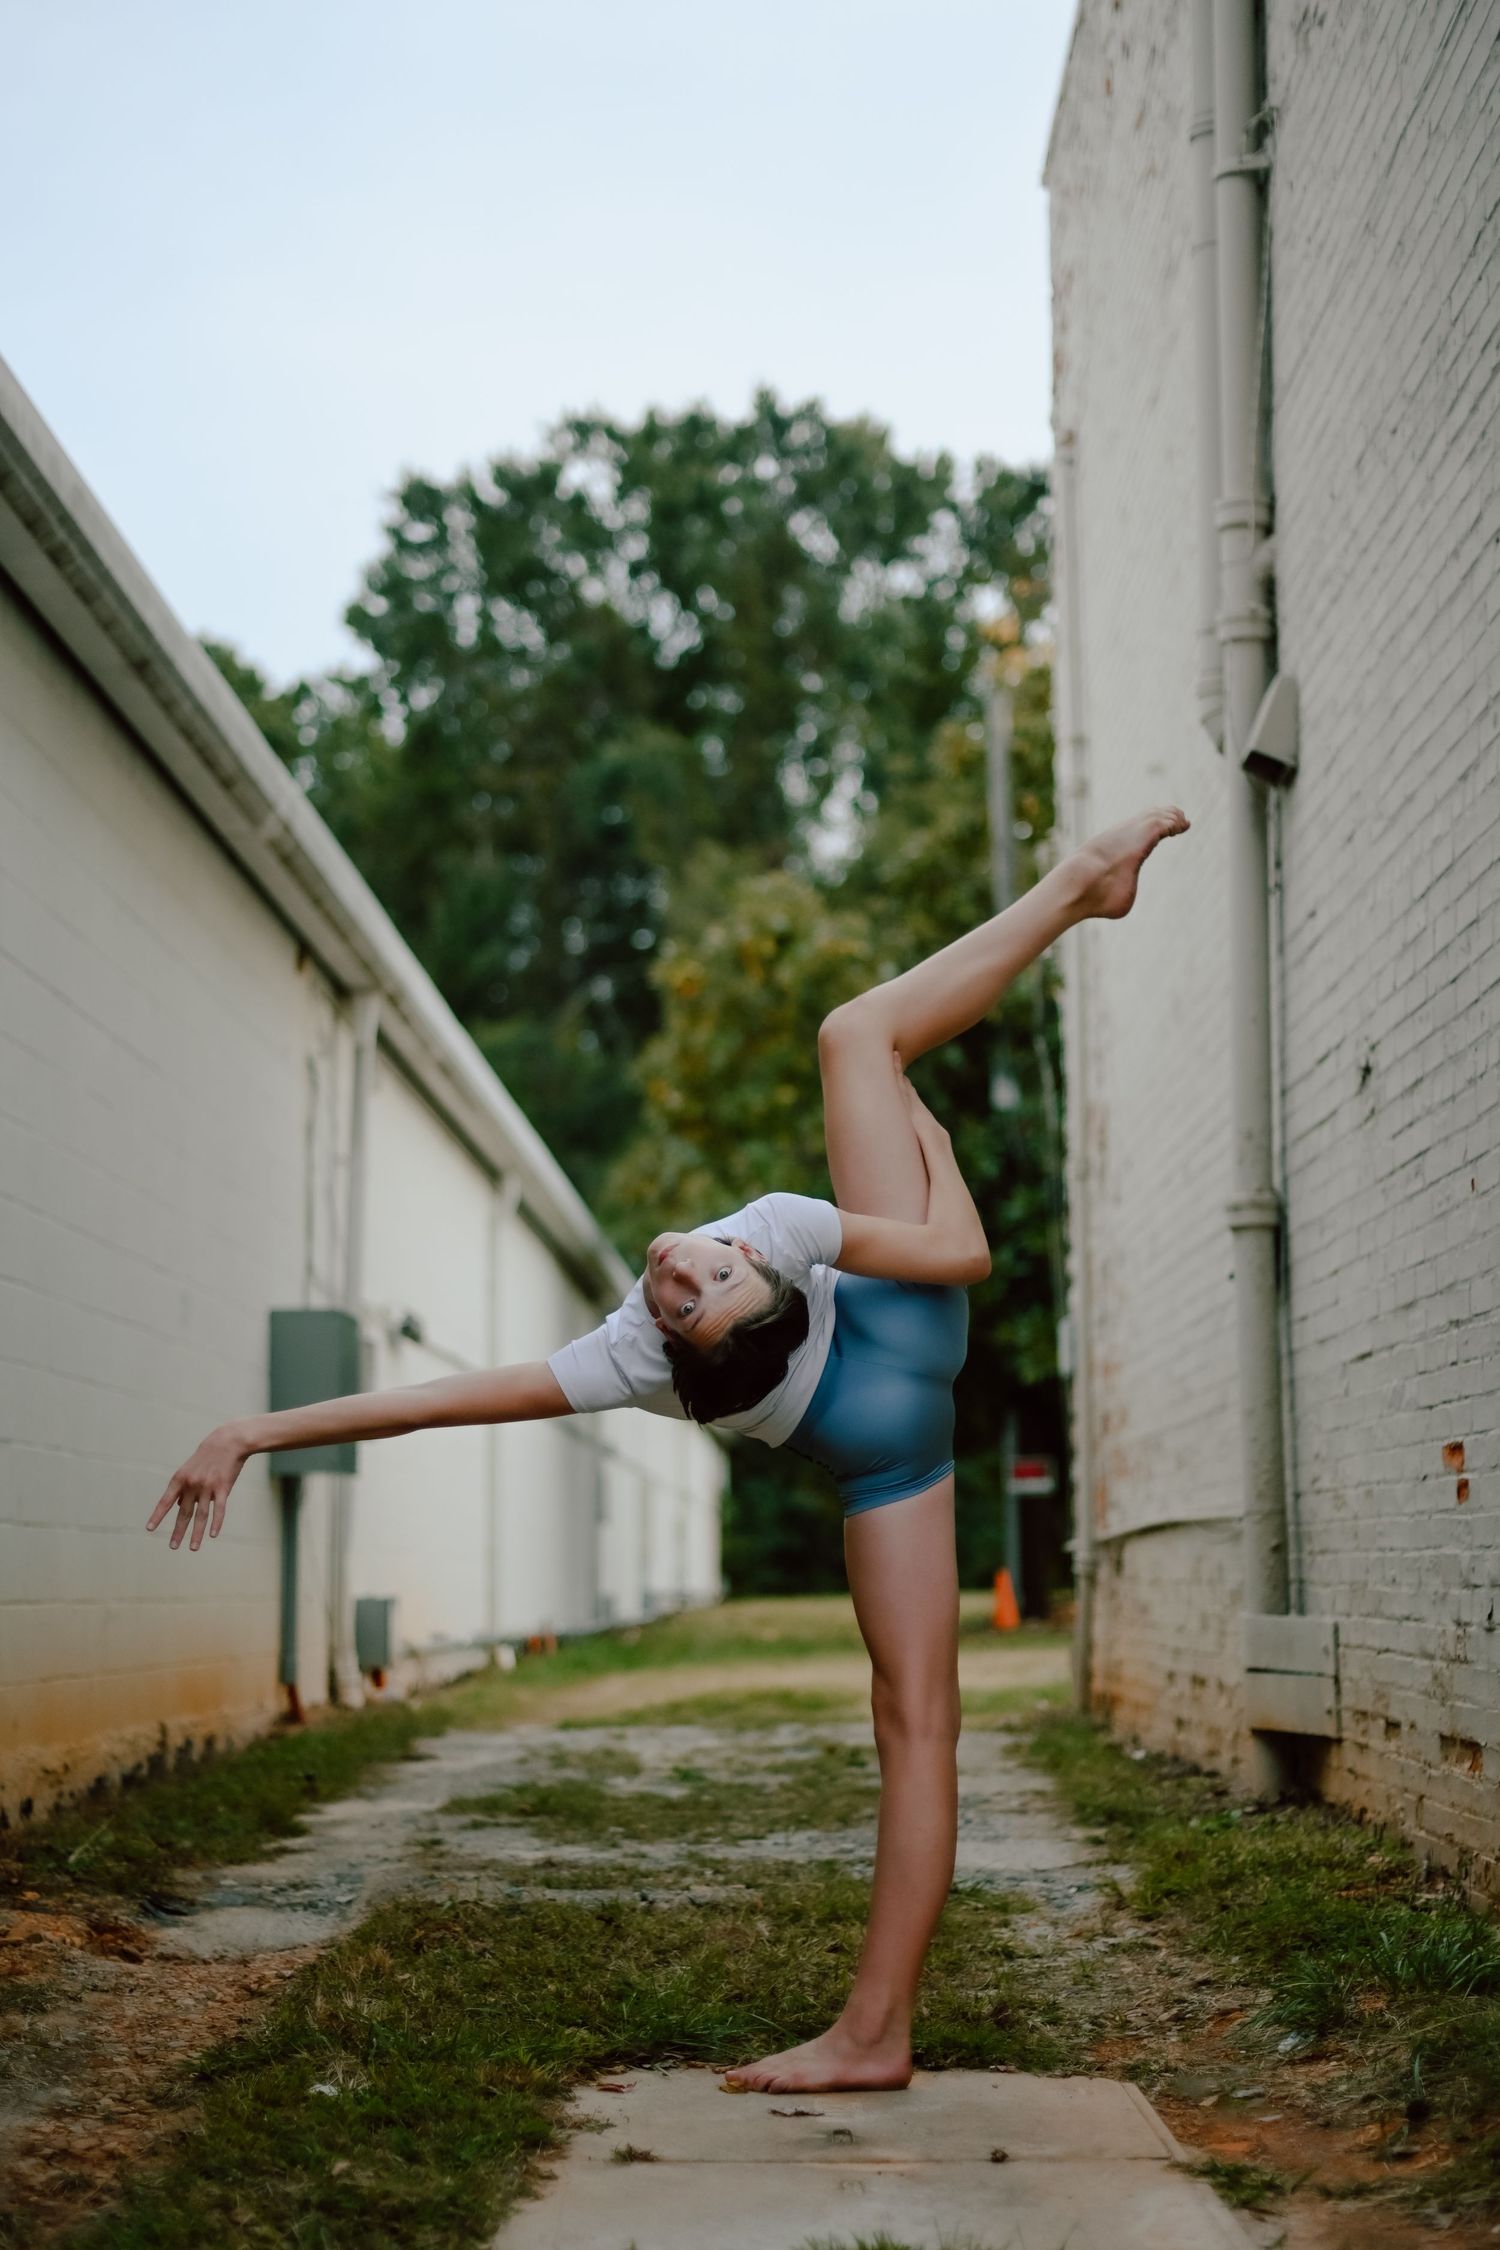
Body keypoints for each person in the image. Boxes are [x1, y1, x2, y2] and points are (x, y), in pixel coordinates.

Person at [148, 805, 1189, 2094]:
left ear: (739, 1291)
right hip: (899, 1378)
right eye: (692, 1286)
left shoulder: (712, 1292)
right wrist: (926, 1140)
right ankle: (1079, 888)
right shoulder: (718, 1287)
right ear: (720, 1310)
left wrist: (254, 1428)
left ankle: (875, 2038)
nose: (675, 1268)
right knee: (860, 1041)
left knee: (920, 1724)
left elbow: (960, 1258)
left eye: (695, 1278)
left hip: (893, 1387)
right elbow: (961, 1254)